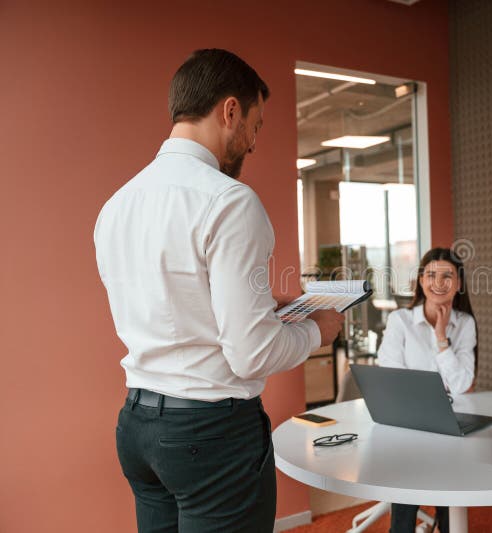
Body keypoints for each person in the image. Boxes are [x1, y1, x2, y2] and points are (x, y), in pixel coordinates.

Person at [94, 49, 344, 533]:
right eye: (256, 125)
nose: (252, 142)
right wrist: (318, 330)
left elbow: (171, 299)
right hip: (209, 435)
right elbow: (251, 355)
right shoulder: (230, 201)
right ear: (230, 110)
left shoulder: (116, 206)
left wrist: (265, 305)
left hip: (138, 427)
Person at [377, 247, 478, 533]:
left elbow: (462, 385)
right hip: (407, 424)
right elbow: (391, 376)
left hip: (449, 424)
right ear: (421, 281)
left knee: (449, 494)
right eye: (431, 274)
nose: (438, 282)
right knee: (405, 497)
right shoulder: (401, 321)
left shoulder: (465, 324)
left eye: (447, 276)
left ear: (458, 284)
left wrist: (441, 337)